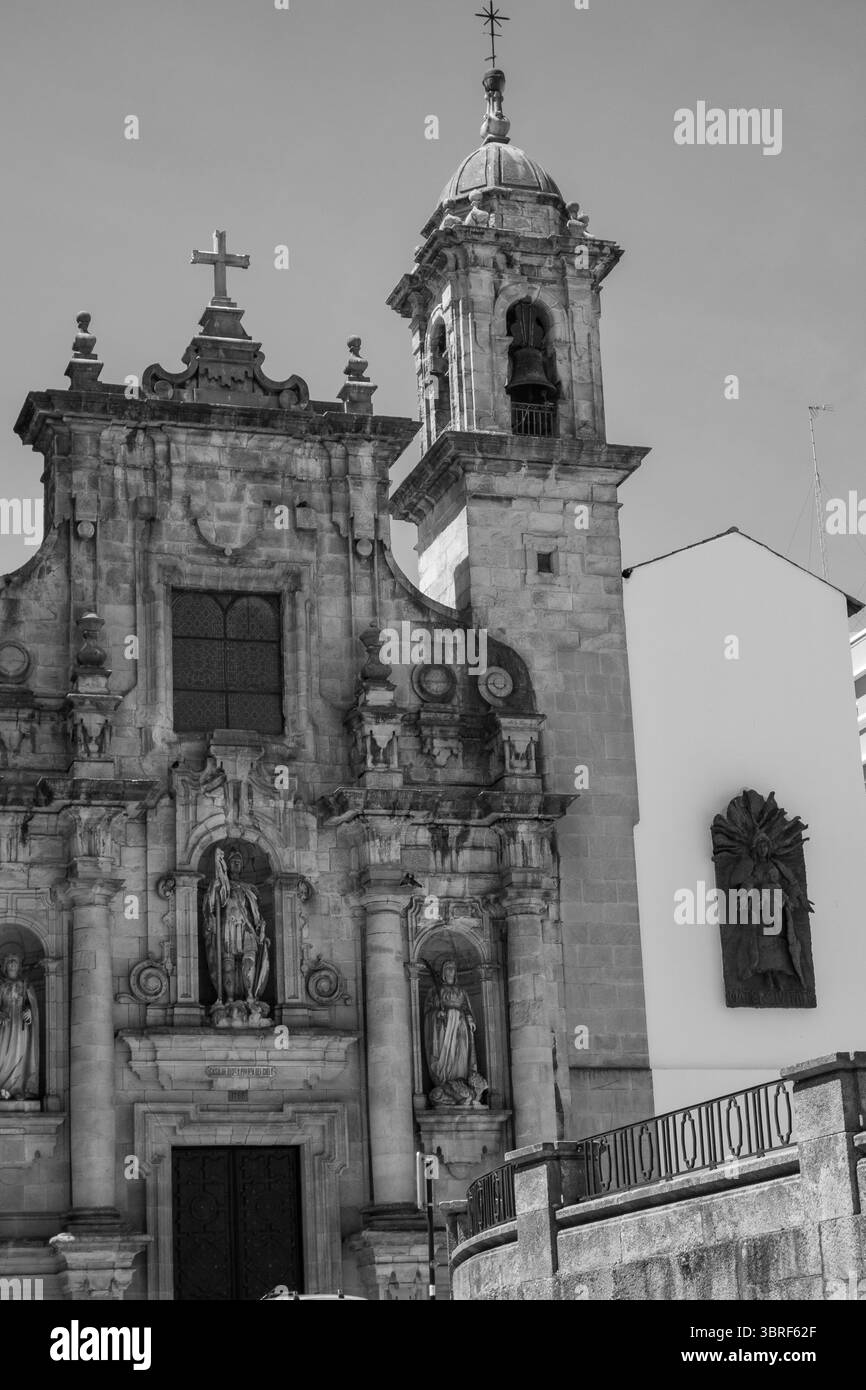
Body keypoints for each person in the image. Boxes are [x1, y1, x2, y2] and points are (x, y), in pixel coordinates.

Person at [0, 951, 39, 1100]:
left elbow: (32, 1005)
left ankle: (17, 1088)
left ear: (19, 966)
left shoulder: (25, 984)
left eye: (15, 961)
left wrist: (30, 1013)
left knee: (19, 1053)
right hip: (4, 1026)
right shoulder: (1, 985)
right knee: (3, 1054)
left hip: (20, 1026)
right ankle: (2, 1087)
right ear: (5, 965)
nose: (12, 964)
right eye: (10, 961)